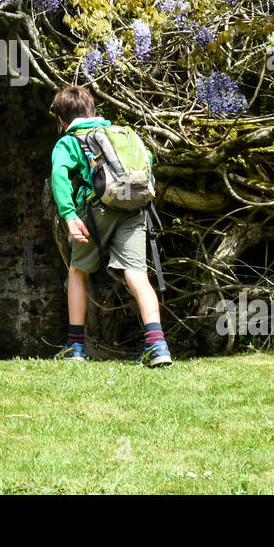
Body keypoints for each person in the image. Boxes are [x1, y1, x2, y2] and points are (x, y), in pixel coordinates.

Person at [48, 84, 172, 367]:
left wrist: (69, 215)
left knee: (78, 271)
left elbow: (59, 176)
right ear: (94, 110)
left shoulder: (70, 141)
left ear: (61, 119)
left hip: (96, 211)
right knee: (137, 274)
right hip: (134, 209)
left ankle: (75, 346)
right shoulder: (122, 134)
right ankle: (157, 345)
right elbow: (147, 164)